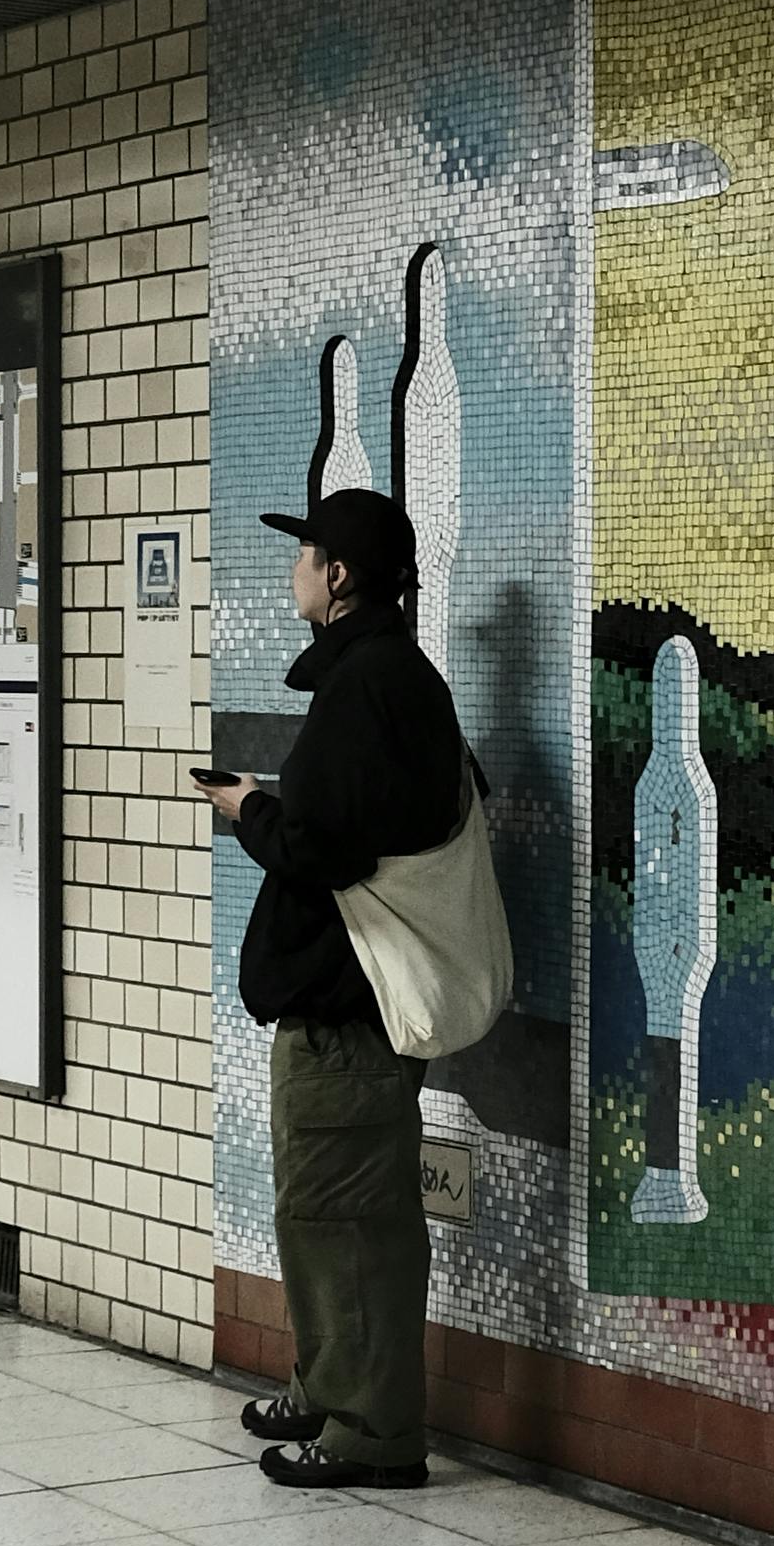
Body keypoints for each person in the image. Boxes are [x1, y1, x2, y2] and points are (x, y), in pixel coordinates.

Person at [204, 484, 465, 1490]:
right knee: (318, 1212)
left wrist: (252, 812)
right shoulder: (374, 678)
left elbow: (325, 846)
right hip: (331, 1014)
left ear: (340, 576)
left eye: (305, 554)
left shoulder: (372, 686)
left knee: (351, 1223)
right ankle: (326, 1385)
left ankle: (373, 1428)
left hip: (349, 1014)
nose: (294, 571)